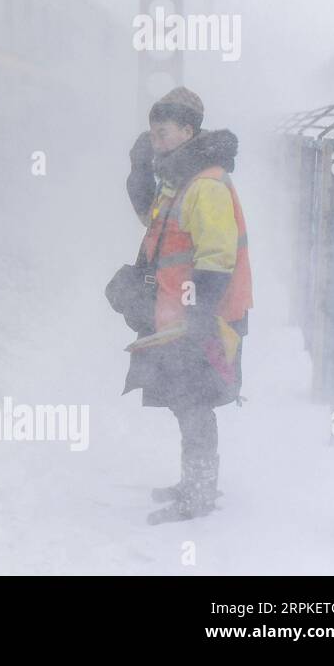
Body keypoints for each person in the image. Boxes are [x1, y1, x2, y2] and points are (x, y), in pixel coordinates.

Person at [124, 87, 253, 525]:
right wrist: (140, 173)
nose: (156, 141)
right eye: (152, 134)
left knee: (194, 404)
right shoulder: (182, 182)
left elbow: (217, 257)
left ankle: (198, 494)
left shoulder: (206, 184)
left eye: (163, 133)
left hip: (204, 318)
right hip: (180, 316)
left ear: (187, 130)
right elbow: (156, 226)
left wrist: (198, 316)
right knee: (184, 402)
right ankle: (193, 483)